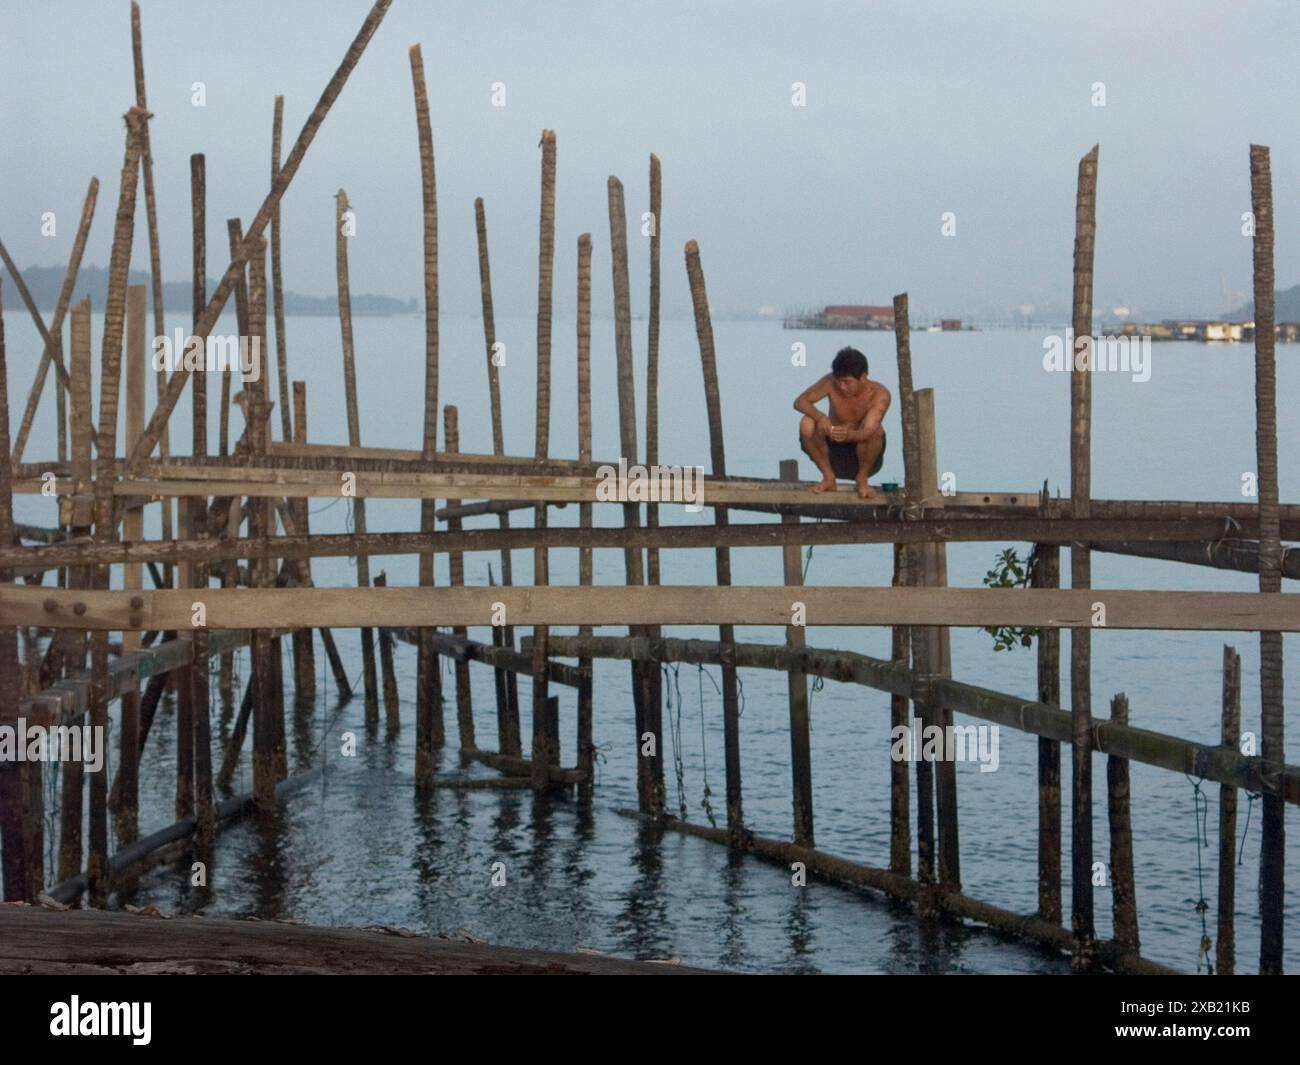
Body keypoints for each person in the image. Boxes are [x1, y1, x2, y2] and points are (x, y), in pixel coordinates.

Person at [794, 346, 891, 498]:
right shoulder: (830, 382)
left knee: (877, 430)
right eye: (839, 381)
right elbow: (800, 402)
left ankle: (862, 480)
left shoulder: (879, 394)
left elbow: (869, 430)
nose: (842, 386)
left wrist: (850, 435)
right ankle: (828, 477)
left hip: (865, 456)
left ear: (863, 377)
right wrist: (820, 417)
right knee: (807, 422)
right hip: (833, 451)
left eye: (847, 382)